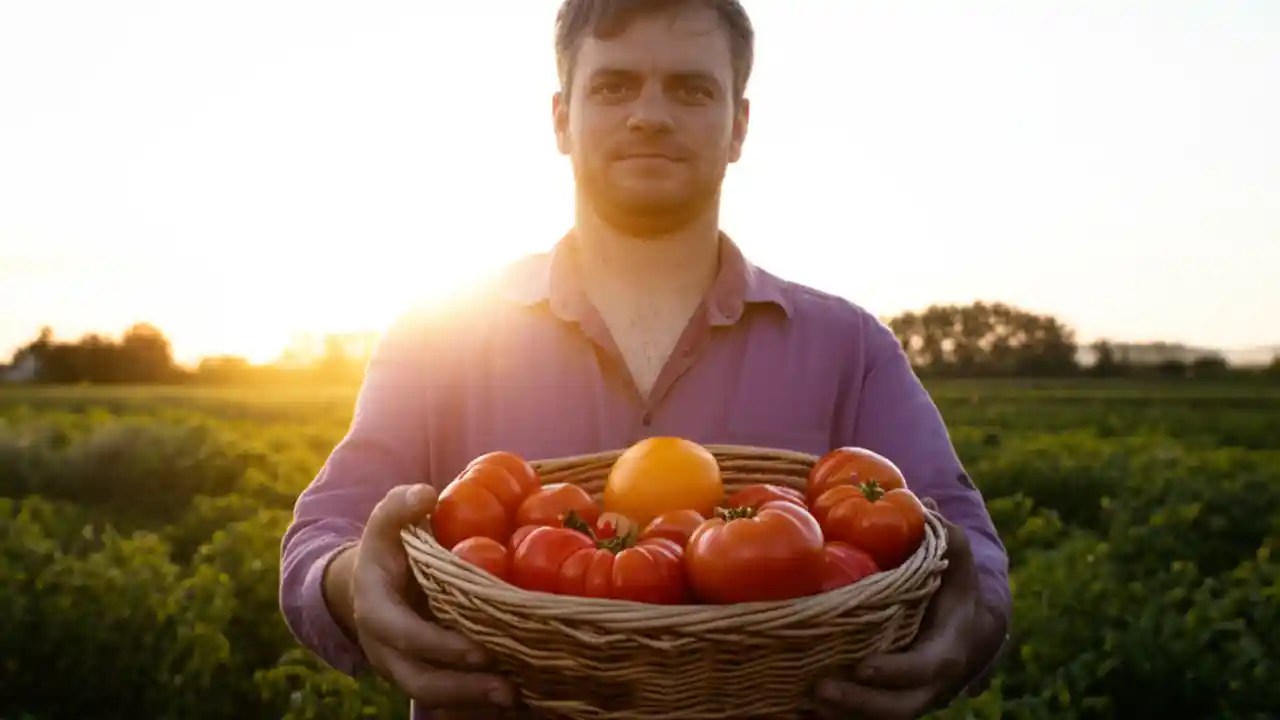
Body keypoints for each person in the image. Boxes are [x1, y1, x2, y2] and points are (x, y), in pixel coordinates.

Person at [279, 1, 1011, 718]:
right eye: (614, 85)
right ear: (561, 119)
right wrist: (353, 587)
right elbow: (325, 536)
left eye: (692, 89)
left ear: (740, 126)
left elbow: (964, 544)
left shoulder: (850, 347)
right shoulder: (438, 335)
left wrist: (963, 627)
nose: (650, 115)